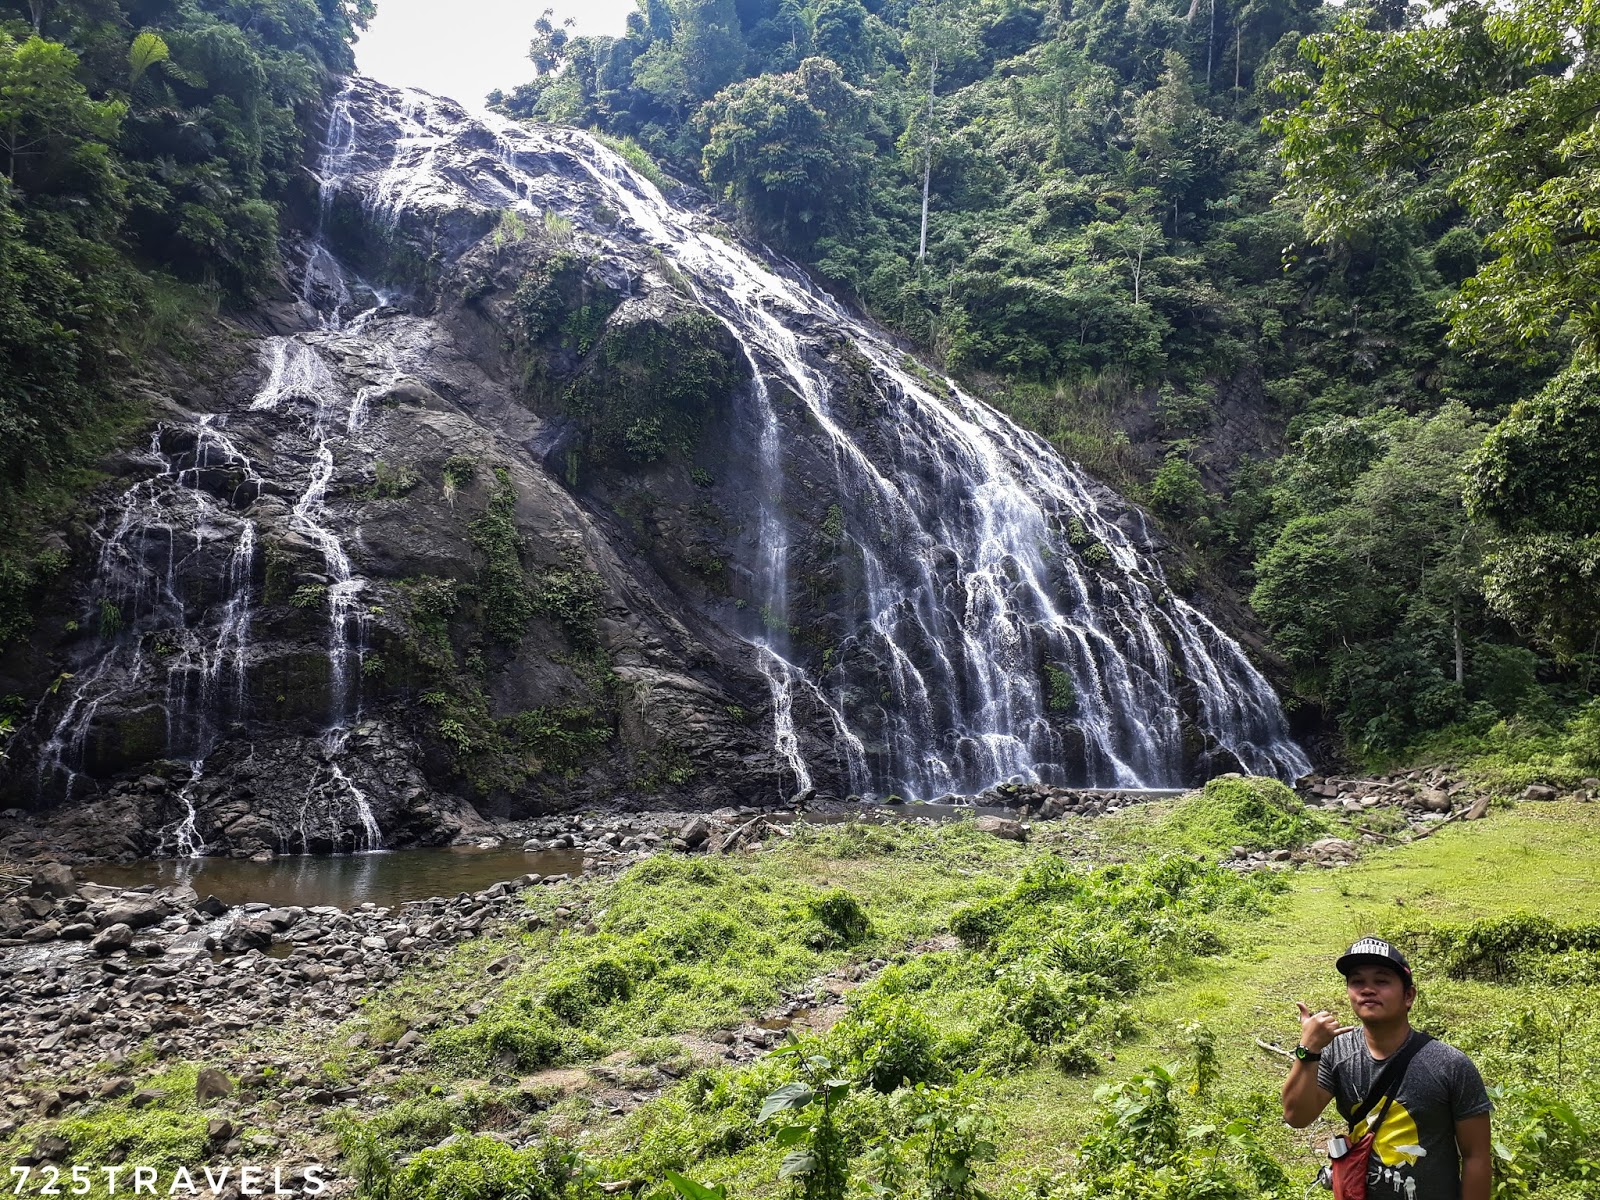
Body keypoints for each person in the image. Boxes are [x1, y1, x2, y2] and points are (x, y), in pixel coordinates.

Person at [1281, 937, 1493, 1200]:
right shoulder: (1337, 1052)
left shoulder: (1450, 1065)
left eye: (1381, 981)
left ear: (1408, 996)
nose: (1367, 990)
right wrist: (1308, 1049)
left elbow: (1477, 1157)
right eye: (1357, 981)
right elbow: (1296, 1116)